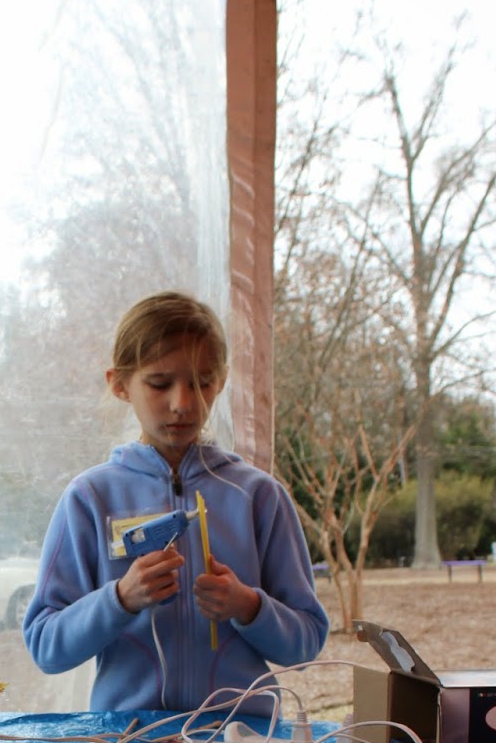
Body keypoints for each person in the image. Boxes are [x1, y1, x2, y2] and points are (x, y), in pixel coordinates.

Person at [23, 292, 329, 714]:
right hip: (130, 741)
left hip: (244, 739)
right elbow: (45, 645)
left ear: (220, 380)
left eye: (202, 382)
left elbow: (307, 641)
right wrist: (120, 598)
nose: (183, 403)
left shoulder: (259, 496)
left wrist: (248, 606)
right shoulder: (90, 499)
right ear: (119, 383)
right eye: (160, 383)